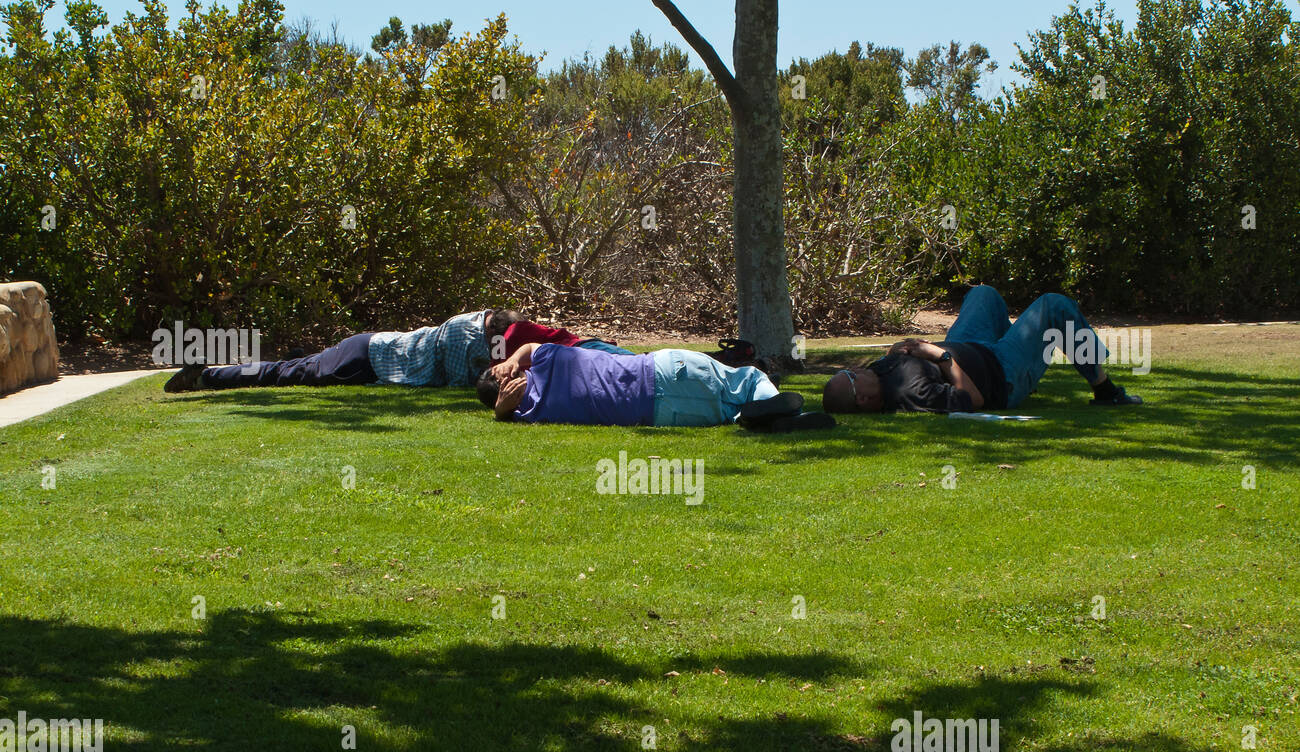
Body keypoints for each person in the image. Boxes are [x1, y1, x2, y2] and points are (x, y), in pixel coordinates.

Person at [821, 286, 1144, 415]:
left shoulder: (876, 375)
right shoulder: (912, 395)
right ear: (862, 399)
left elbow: (894, 355)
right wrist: (940, 356)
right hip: (999, 373)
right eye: (851, 376)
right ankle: (1105, 391)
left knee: (983, 294)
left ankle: (1028, 362)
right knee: (1054, 305)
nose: (856, 369)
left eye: (848, 370)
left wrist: (900, 348)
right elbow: (971, 401)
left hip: (975, 345)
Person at [162, 310, 628, 393]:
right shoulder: (483, 341)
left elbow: (565, 348)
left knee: (297, 367)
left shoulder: (486, 334)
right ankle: (207, 376)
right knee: (290, 373)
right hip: (365, 356)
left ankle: (210, 374)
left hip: (369, 349)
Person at [478, 342, 834, 431]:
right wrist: (514, 361)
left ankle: (769, 420)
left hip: (666, 414)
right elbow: (532, 349)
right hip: (664, 370)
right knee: (750, 378)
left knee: (729, 413)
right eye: (501, 372)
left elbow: (525, 352)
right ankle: (775, 410)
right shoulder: (547, 362)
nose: (507, 370)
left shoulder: (530, 414)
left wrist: (501, 412)